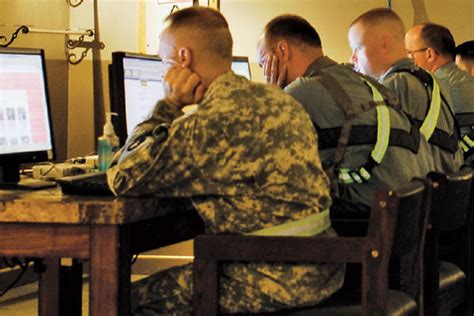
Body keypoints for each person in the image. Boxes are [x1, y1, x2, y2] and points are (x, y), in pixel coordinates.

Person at [107, 6, 344, 315]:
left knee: (119, 299)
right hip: (322, 268)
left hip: (271, 277)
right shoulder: (281, 100)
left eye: (164, 64)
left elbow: (122, 177)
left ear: (183, 59)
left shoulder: (210, 124)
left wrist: (168, 105)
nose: (165, 75)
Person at [257, 14, 434, 217]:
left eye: (263, 63)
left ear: (282, 50)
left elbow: (255, 159)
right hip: (408, 217)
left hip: (364, 224)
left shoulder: (301, 92)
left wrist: (272, 98)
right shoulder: (366, 82)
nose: (265, 73)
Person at [348, 8, 463, 173]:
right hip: (446, 184)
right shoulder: (431, 80)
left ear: (384, 44)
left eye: (357, 48)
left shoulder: (394, 85)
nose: (353, 58)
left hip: (425, 188)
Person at [405, 23, 474, 164]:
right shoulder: (466, 80)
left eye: (410, 54)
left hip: (451, 167)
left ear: (429, 54)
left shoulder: (430, 89)